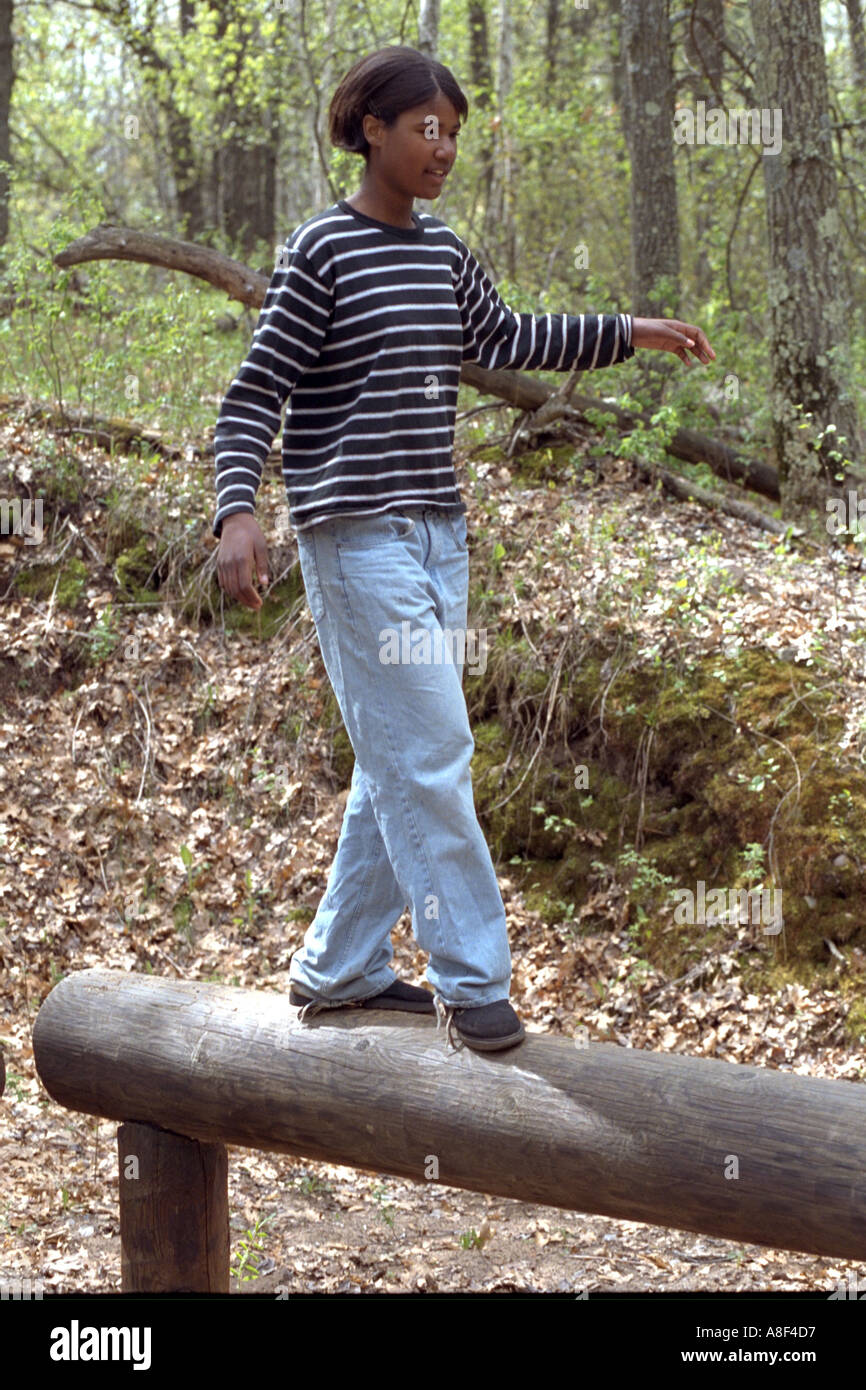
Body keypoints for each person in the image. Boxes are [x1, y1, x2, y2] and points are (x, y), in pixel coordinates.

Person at [212, 45, 715, 1053]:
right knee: (433, 752)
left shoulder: (440, 252)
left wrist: (627, 331)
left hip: (440, 537)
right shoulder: (319, 252)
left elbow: (508, 334)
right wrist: (237, 512)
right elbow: (251, 394)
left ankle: (340, 967)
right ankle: (471, 976)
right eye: (422, 129)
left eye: (452, 132)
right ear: (370, 131)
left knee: (396, 762)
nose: (440, 149)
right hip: (356, 543)